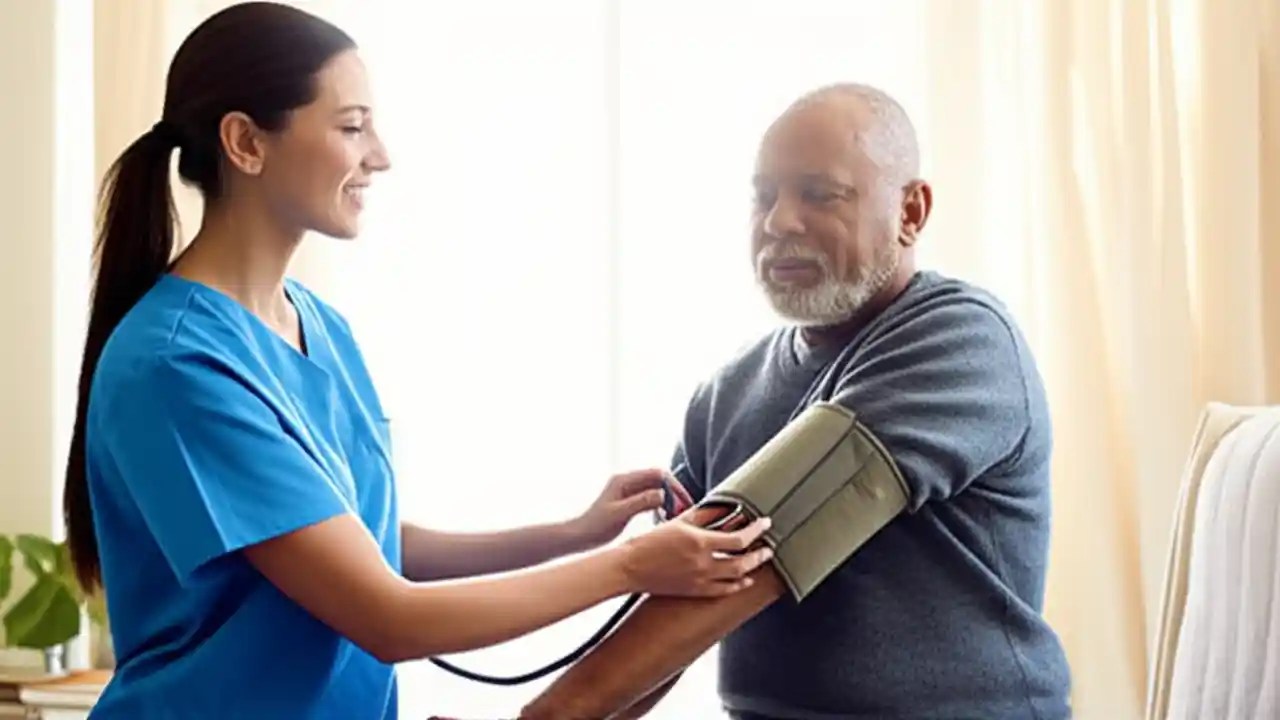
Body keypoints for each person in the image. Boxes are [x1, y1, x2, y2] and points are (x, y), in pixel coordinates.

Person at [61, 4, 771, 719]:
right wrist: (628, 567)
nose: (380, 154)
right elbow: (387, 617)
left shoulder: (319, 327)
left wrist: (570, 535)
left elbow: (366, 544)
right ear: (246, 142)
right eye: (351, 126)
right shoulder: (177, 365)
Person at [625, 83, 1074, 719]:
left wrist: (549, 717)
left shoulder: (961, 339)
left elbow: (767, 542)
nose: (779, 221)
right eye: (763, 196)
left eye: (818, 194)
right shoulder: (724, 393)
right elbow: (673, 611)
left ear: (911, 212)